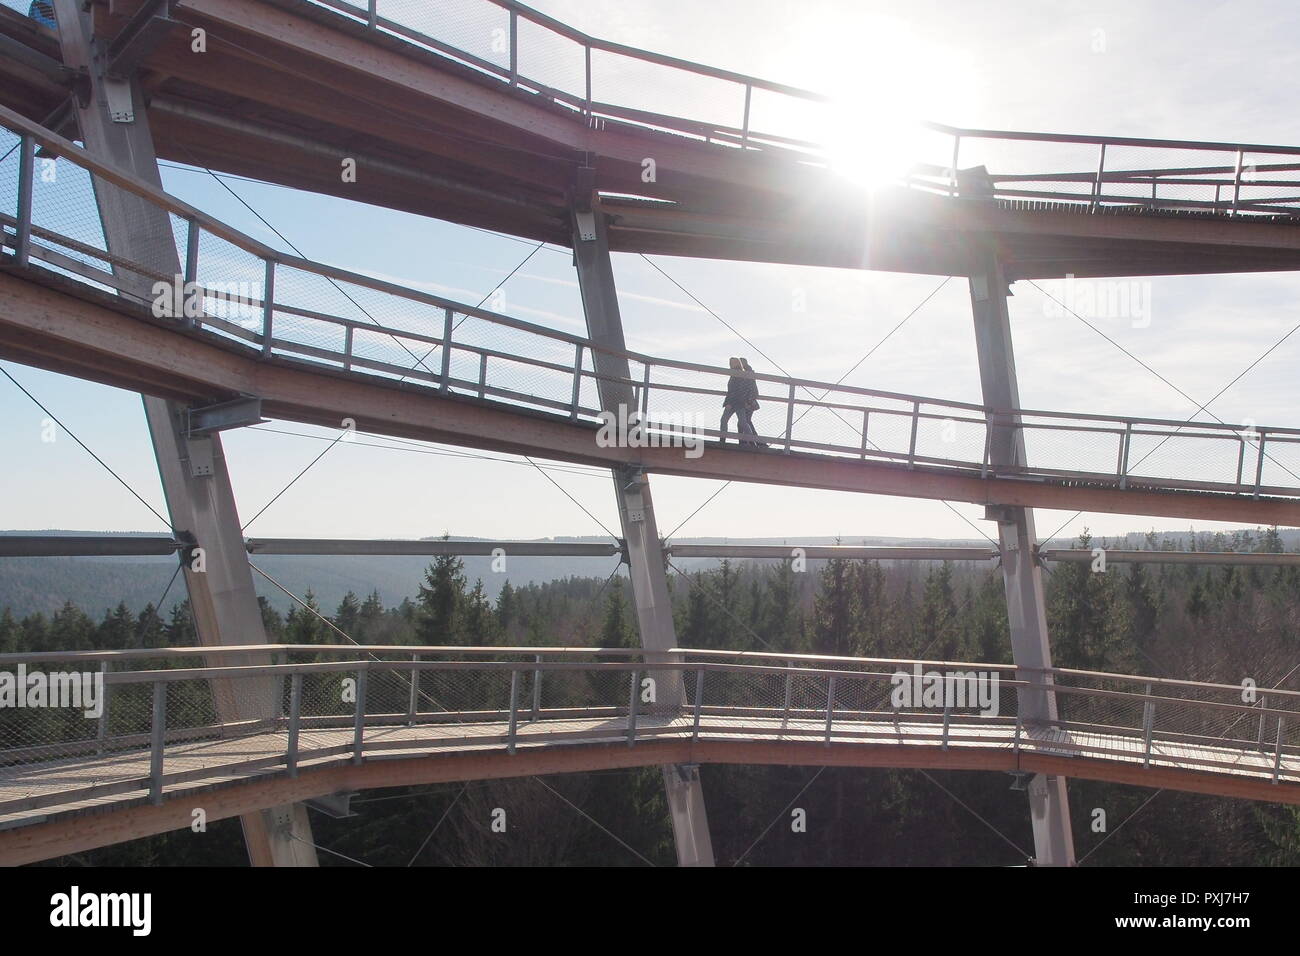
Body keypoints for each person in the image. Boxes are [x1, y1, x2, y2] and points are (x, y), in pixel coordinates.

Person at [736, 358, 767, 447]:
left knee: (744, 422)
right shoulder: (750, 373)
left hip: (747, 401)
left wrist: (747, 401)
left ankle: (748, 442)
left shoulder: (745, 374)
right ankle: (753, 442)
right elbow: (753, 390)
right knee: (746, 422)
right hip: (750, 401)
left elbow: (747, 389)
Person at [720, 357, 744, 442]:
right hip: (739, 402)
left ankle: (722, 440)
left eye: (731, 362)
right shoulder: (740, 373)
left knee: (724, 420)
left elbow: (733, 390)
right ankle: (750, 440)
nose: (730, 364)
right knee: (743, 422)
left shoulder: (735, 374)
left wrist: (729, 403)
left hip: (733, 403)